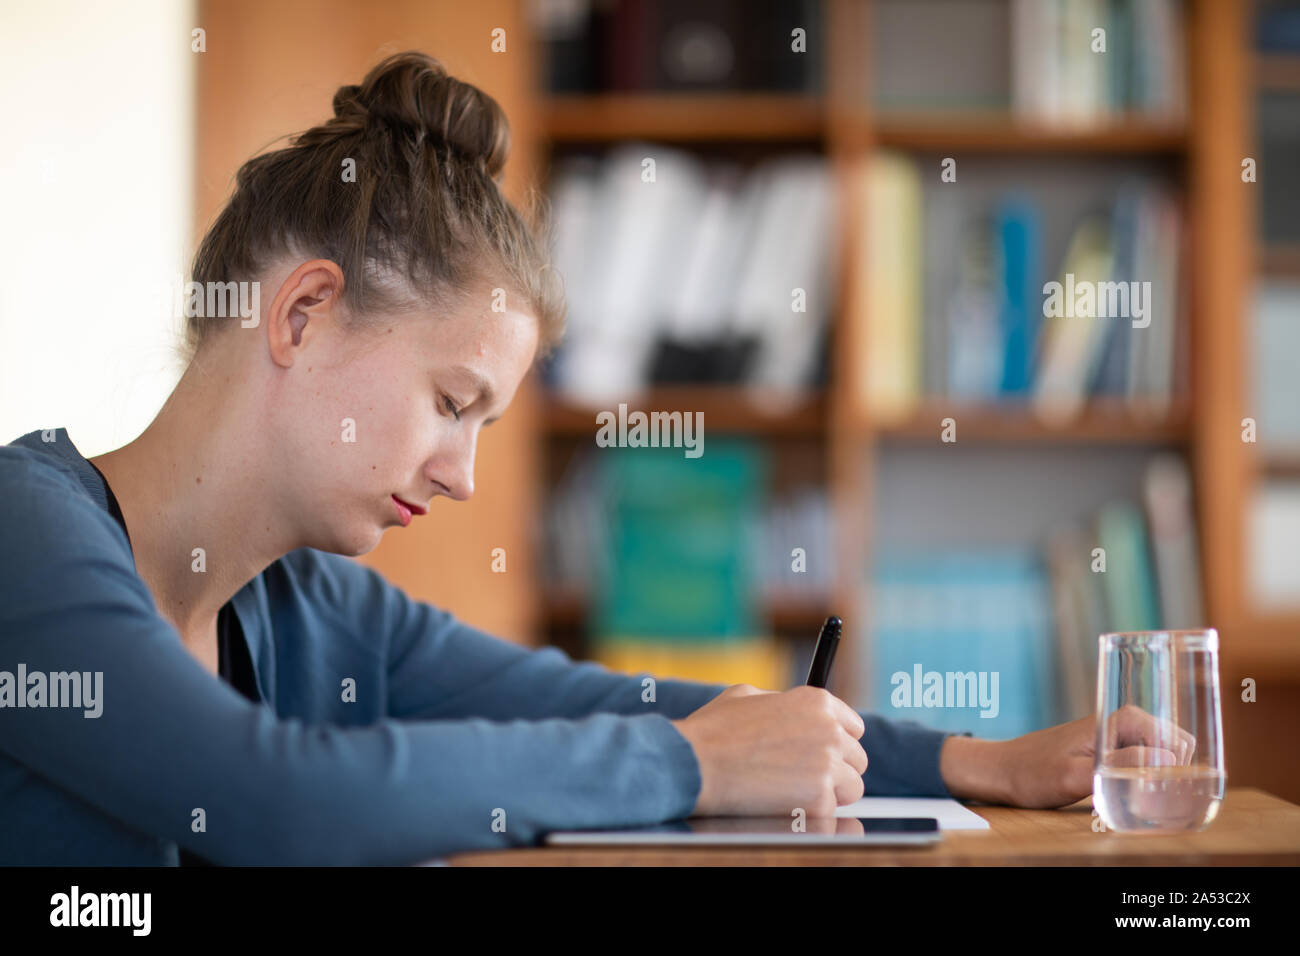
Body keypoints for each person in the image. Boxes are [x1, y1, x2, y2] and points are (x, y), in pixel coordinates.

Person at [0, 51, 1113, 867]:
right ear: (301, 317)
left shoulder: (319, 611)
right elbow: (262, 797)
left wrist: (970, 759)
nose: (461, 473)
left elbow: (603, 702)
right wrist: (693, 768)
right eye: (451, 401)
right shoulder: (25, 535)